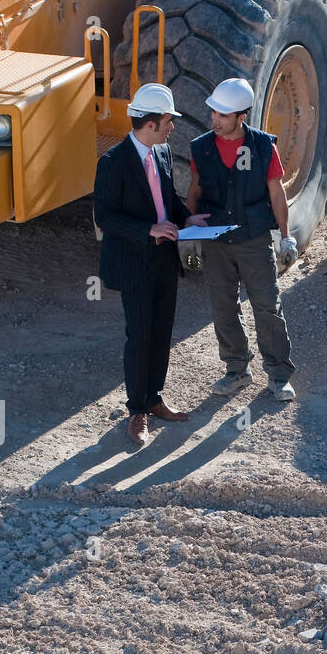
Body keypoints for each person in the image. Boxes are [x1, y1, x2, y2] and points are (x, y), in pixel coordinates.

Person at [93, 83, 210, 445]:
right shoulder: (113, 163)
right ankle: (136, 411)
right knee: (140, 335)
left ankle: (155, 399)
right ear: (151, 123)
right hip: (135, 262)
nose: (172, 126)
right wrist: (149, 229)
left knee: (161, 333)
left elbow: (167, 202)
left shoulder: (160, 154)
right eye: (167, 121)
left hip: (163, 259)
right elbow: (105, 216)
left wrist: (186, 219)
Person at [186, 77, 299, 401]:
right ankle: (236, 370)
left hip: (253, 239)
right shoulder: (201, 148)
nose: (215, 119)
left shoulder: (264, 147)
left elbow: (276, 194)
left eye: (223, 115)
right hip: (216, 242)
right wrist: (190, 235)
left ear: (242, 116)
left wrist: (286, 237)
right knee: (223, 307)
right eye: (213, 113)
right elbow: (195, 190)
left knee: (267, 307)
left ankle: (278, 375)